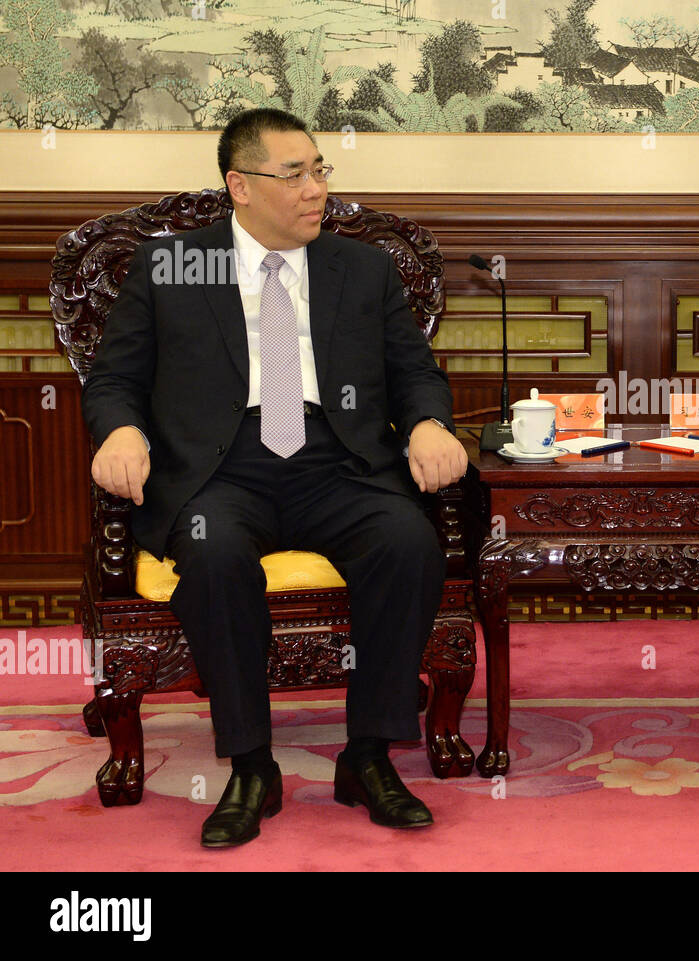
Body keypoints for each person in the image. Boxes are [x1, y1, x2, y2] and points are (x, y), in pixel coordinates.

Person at [81, 108, 467, 847]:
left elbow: (413, 371)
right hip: (220, 467)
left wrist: (426, 424)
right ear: (241, 185)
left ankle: (367, 755)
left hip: (337, 459)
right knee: (214, 551)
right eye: (295, 174)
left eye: (321, 169)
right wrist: (122, 431)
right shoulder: (172, 267)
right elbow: (114, 381)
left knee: (407, 542)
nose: (316, 188)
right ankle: (252, 764)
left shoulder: (362, 268)